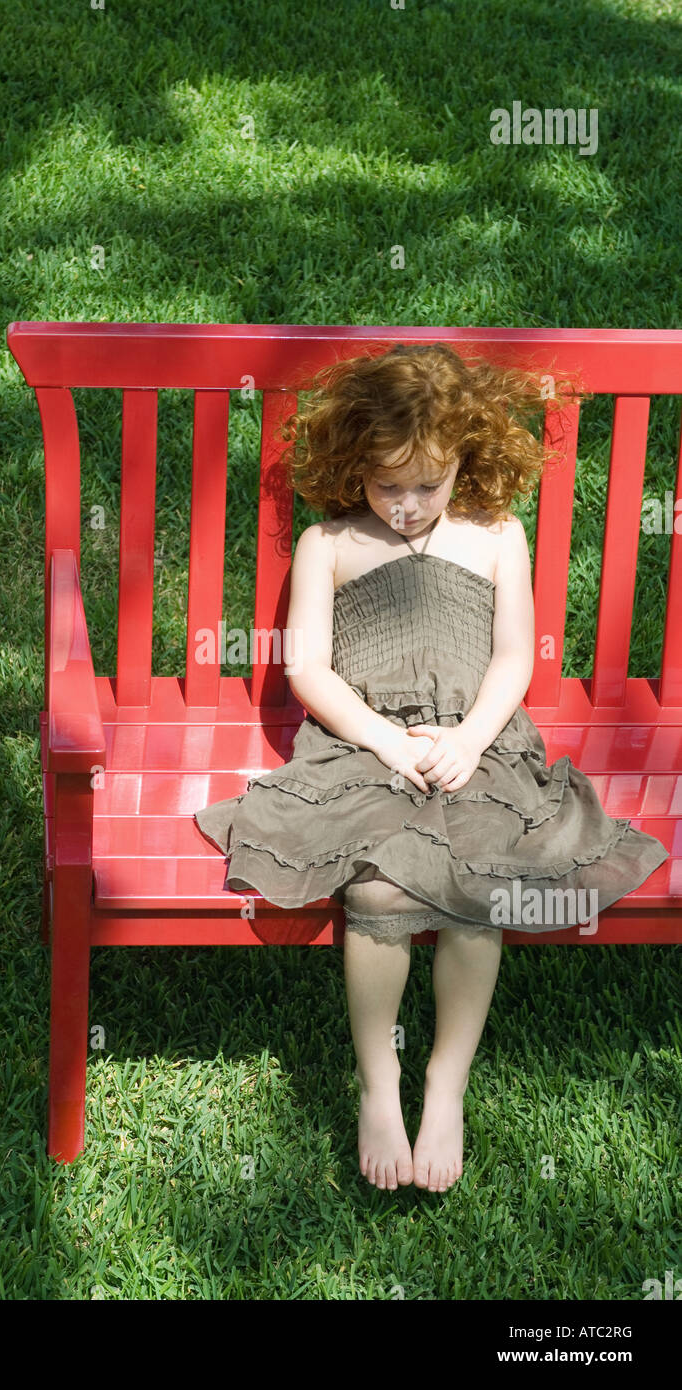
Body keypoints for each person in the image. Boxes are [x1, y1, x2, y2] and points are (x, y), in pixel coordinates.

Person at [192, 342, 669, 1195]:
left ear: (464, 463)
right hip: (359, 747)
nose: (407, 506)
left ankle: (444, 1084)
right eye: (386, 485)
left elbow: (512, 657)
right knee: (375, 890)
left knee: (478, 886)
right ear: (353, 466)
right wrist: (385, 739)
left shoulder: (495, 537)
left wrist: (469, 737)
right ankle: (381, 1087)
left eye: (427, 484)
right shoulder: (330, 543)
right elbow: (307, 670)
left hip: (475, 748)